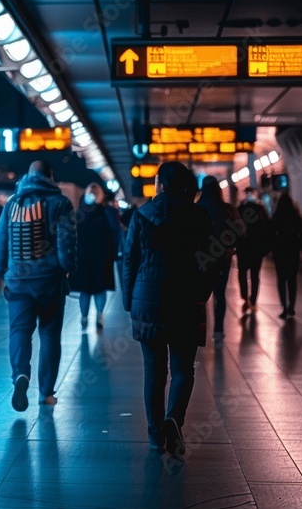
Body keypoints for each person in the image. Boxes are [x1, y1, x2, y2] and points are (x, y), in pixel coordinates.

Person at [122, 162, 216, 458]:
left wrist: (129, 300)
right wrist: (202, 292)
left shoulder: (141, 215)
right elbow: (212, 259)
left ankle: (155, 436)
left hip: (147, 299)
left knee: (153, 370)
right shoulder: (198, 215)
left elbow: (129, 260)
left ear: (160, 185)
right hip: (185, 297)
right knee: (183, 368)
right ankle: (173, 418)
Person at [0, 160, 76, 410]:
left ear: (27, 176)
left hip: (18, 281)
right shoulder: (60, 203)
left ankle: (20, 375)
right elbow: (66, 243)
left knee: (19, 331)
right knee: (49, 336)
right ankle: (46, 393)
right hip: (49, 281)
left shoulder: (13, 203)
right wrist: (67, 268)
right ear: (51, 177)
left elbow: (0, 240)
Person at [196, 177, 242, 342]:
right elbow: (240, 231)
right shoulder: (228, 210)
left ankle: (199, 329)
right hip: (222, 257)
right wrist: (231, 247)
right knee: (219, 294)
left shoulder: (196, 208)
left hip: (201, 258)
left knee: (199, 296)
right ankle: (218, 331)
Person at [68, 183, 117, 330]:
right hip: (102, 257)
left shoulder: (78, 214)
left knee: (85, 290)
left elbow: (71, 236)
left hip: (83, 257)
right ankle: (99, 316)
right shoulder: (106, 213)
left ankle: (84, 317)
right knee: (100, 289)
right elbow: (114, 233)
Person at [269, 193, 302, 319]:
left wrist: (272, 248)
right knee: (292, 280)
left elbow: (271, 233)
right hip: (293, 252)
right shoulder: (297, 217)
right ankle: (291, 306)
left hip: (280, 252)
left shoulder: (277, 216)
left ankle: (284, 307)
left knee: (281, 280)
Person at [236, 188, 270, 312]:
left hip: (243, 248)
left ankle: (245, 297)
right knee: (255, 275)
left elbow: (234, 227)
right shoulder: (260, 209)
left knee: (242, 273)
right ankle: (253, 300)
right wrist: (266, 248)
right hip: (257, 248)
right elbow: (268, 228)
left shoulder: (240, 209)